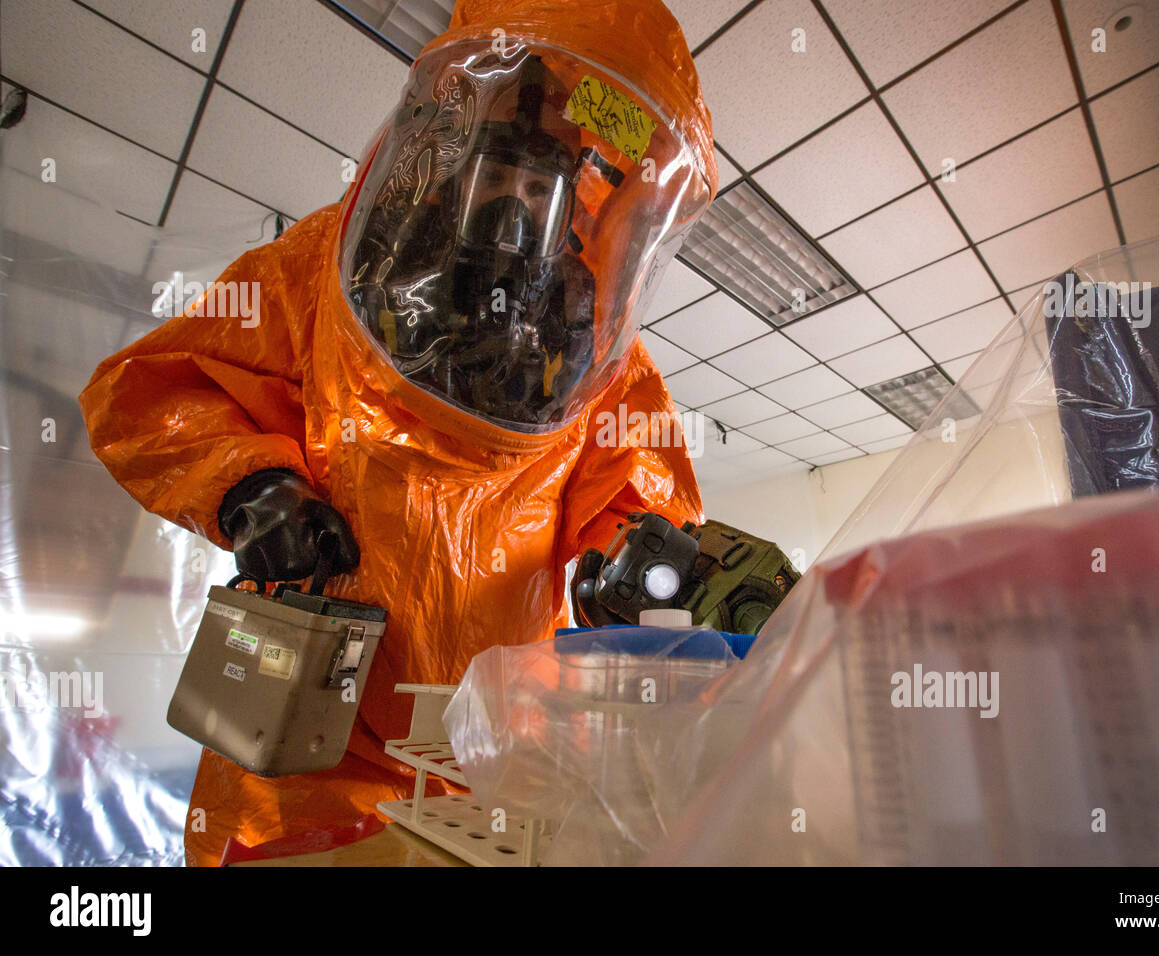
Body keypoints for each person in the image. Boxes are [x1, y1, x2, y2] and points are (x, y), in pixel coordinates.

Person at [79, 0, 718, 866]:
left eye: (541, 185)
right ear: (455, 164)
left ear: (573, 199)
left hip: (486, 741)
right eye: (500, 173)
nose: (516, 202)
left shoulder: (596, 349)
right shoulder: (318, 271)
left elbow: (632, 492)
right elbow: (155, 392)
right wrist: (252, 488)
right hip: (304, 727)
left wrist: (624, 565)